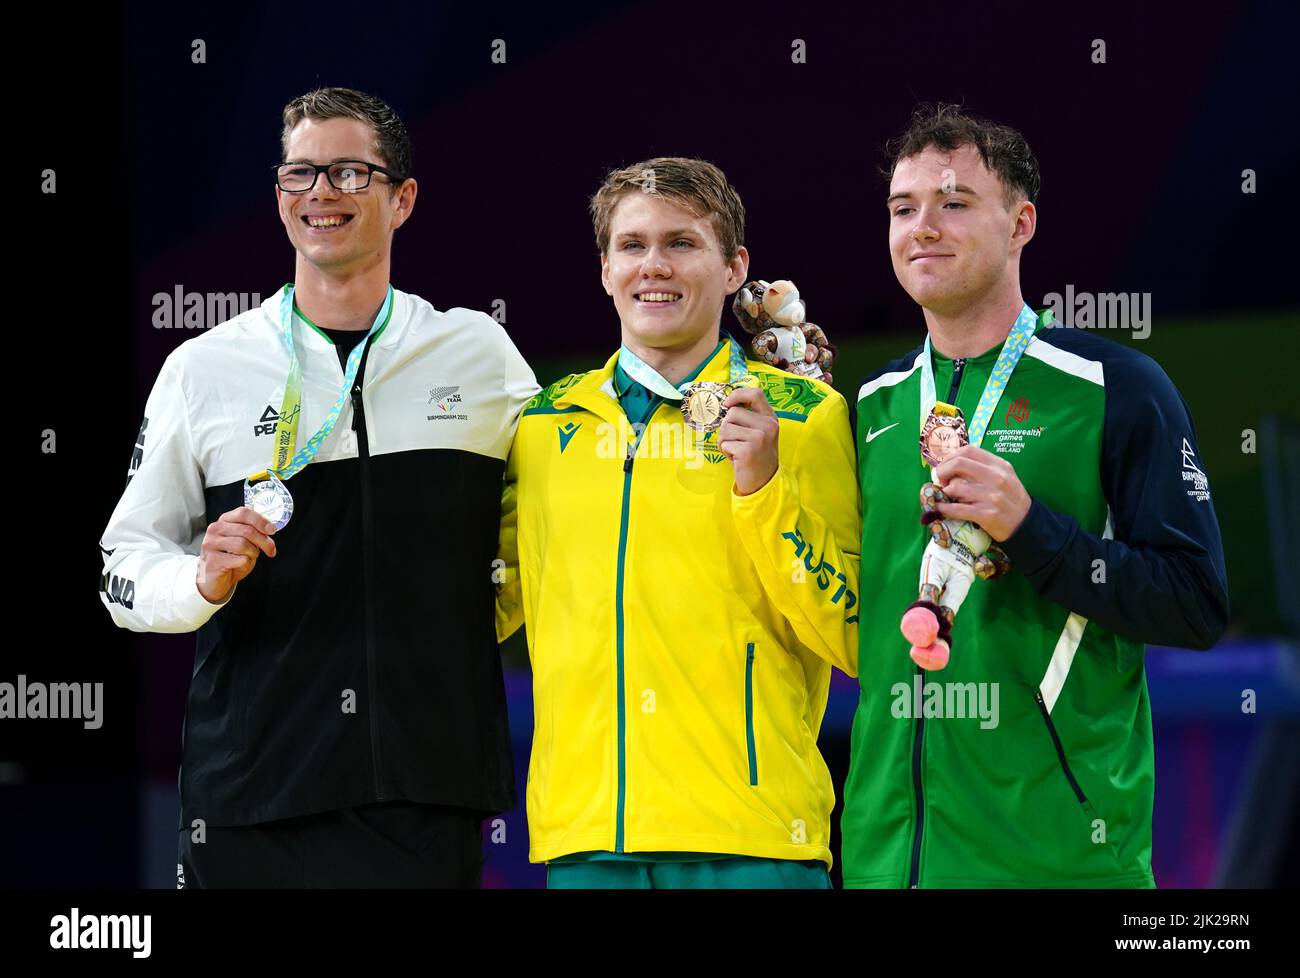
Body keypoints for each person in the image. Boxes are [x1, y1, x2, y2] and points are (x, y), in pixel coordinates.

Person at [98, 87, 538, 888]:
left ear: (402, 199)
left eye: (348, 173)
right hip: (250, 798)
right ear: (278, 197)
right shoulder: (206, 368)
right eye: (299, 175)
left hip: (427, 794)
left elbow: (558, 519)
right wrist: (199, 581)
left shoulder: (478, 354)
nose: (321, 194)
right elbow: (122, 569)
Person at [804, 102, 1227, 886]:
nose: (923, 226)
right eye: (904, 208)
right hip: (885, 857)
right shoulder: (870, 407)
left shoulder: (1115, 388)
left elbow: (1196, 602)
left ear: (1021, 223)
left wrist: (1033, 530)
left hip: (1058, 857)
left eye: (955, 203)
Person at [495, 157, 860, 888]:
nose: (653, 266)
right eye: (633, 246)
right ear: (604, 270)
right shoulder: (541, 427)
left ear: (734, 269)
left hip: (756, 844)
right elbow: (484, 604)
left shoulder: (803, 417)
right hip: (585, 842)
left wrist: (762, 491)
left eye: (682, 243)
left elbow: (853, 632)